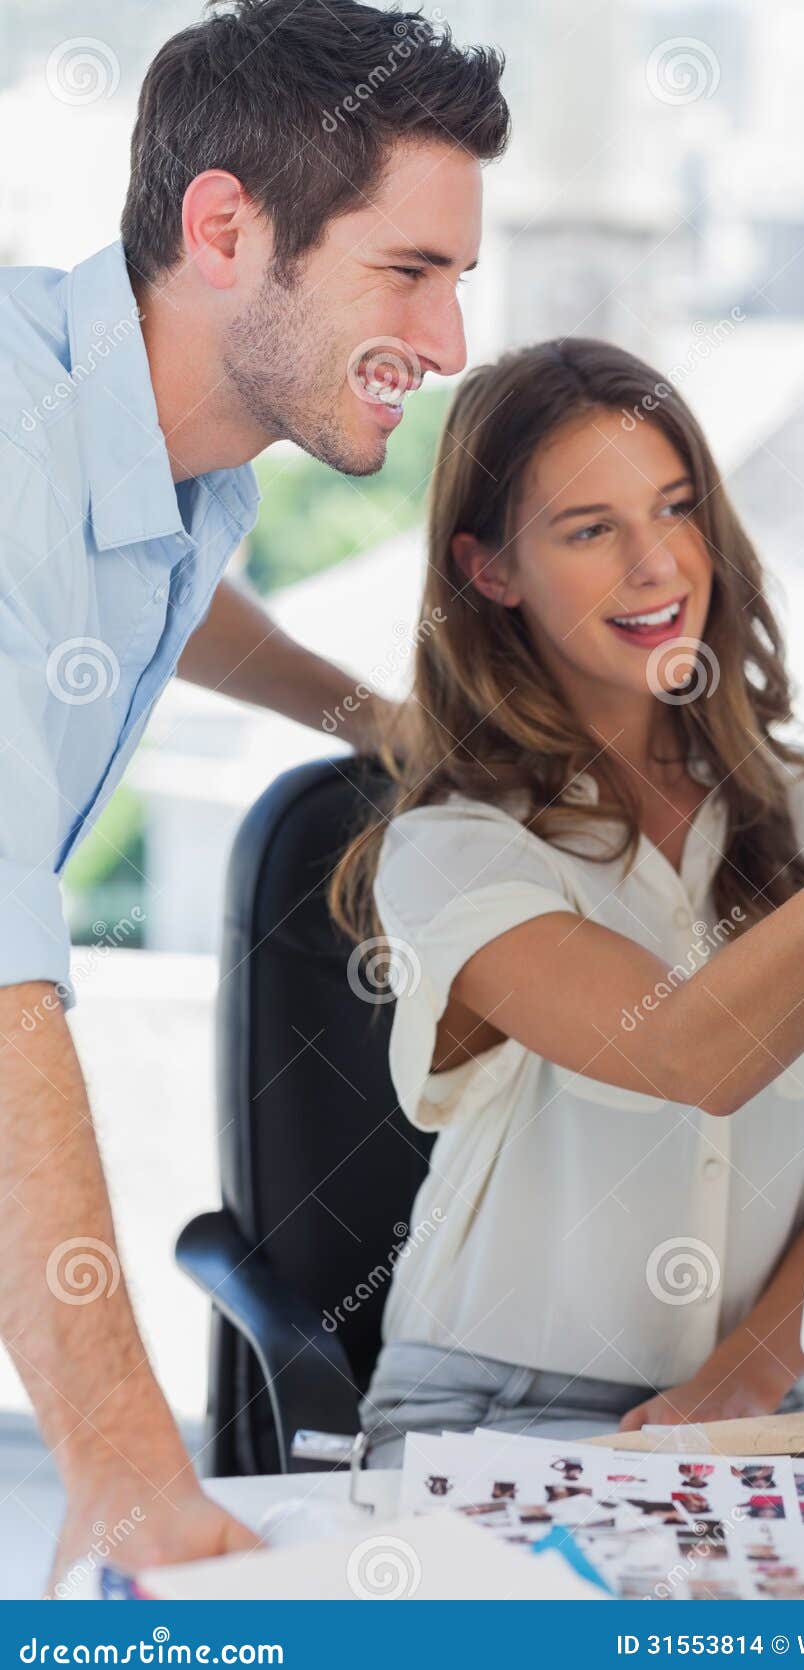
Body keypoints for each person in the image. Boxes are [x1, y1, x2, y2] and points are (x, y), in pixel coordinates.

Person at [0, 0, 509, 1589]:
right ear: (224, 226)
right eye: (406, 272)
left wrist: (375, 717)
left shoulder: (173, 448)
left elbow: (155, 591)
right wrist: (128, 1466)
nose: (446, 347)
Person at [329, 338, 804, 1467]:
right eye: (590, 530)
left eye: (674, 509)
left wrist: (742, 1377)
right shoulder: (451, 849)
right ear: (491, 571)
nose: (655, 565)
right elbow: (693, 1049)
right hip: (491, 1409)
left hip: (759, 1408)